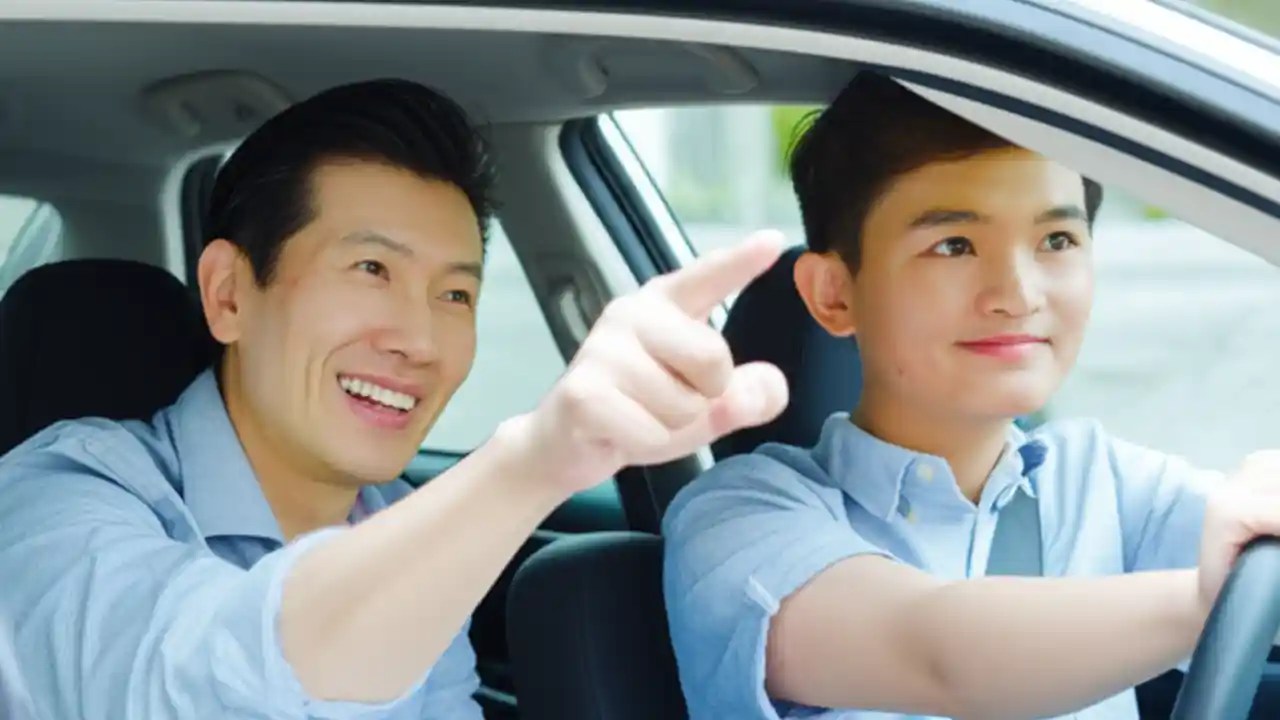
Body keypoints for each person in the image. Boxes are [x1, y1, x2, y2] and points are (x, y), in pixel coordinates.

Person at [0, 78, 788, 719]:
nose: (420, 339)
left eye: (454, 294)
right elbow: (190, 684)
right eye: (372, 270)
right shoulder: (55, 499)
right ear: (230, 294)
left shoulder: (397, 519)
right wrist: (529, 463)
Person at [662, 70, 1280, 720]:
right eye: (953, 246)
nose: (1017, 293)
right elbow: (935, 654)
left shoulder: (1108, 487)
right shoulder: (735, 519)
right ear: (834, 294)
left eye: (1057, 240)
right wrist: (1209, 599)